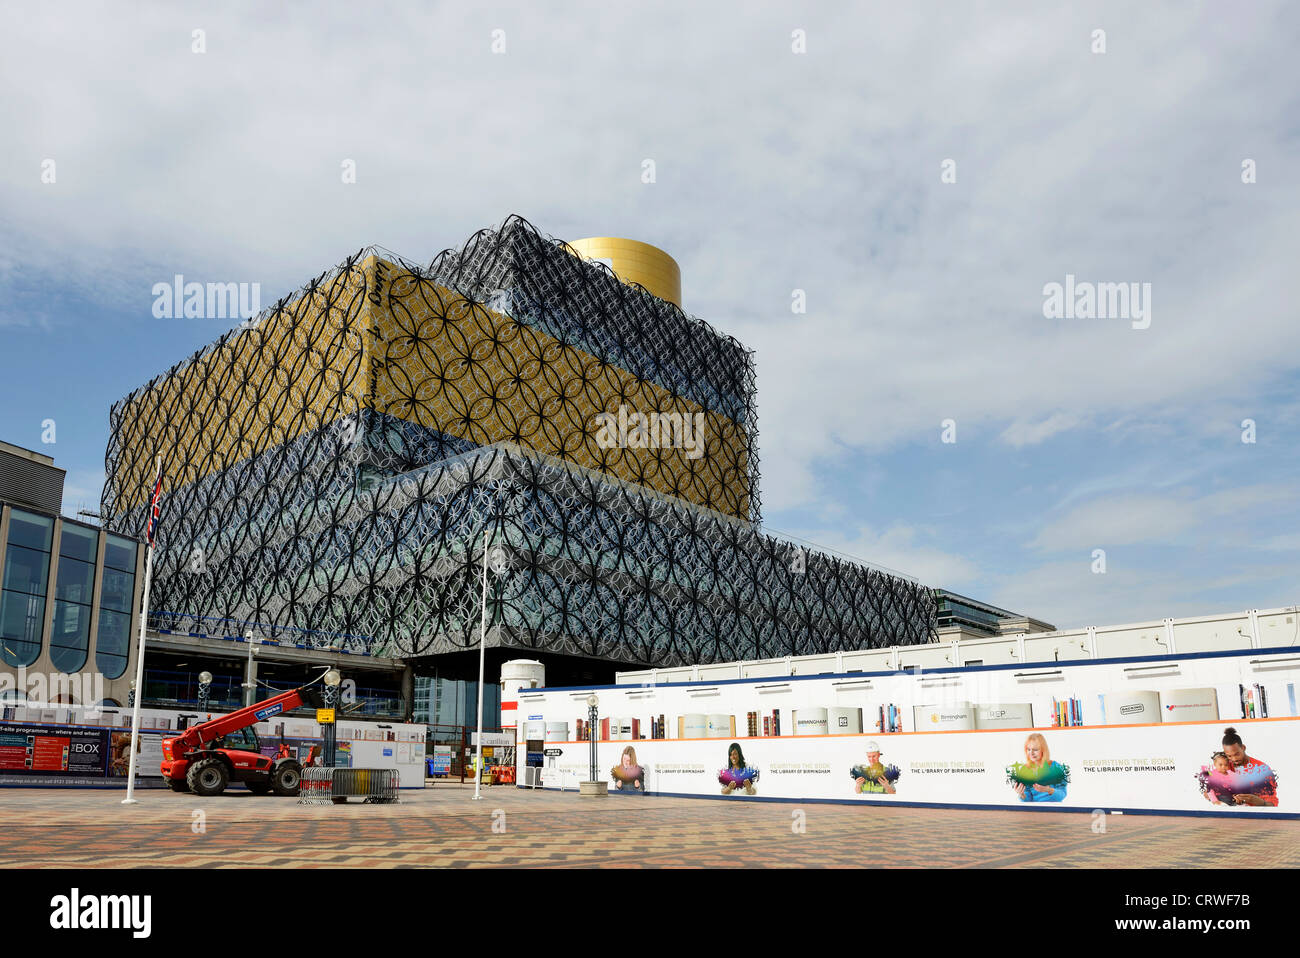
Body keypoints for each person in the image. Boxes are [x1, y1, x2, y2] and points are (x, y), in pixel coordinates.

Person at [1206, 727, 1278, 807]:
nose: (1234, 759)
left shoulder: (1261, 769)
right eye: (1229, 756)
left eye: (1237, 754)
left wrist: (1261, 803)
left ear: (1243, 748)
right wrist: (1210, 795)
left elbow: (1273, 804)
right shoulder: (1224, 766)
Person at [1010, 732, 1068, 802]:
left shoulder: (1055, 767)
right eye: (1028, 749)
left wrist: (1049, 790)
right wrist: (1022, 794)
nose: (1031, 753)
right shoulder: (1025, 769)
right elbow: (1028, 800)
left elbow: (1062, 794)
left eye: (1035, 750)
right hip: (1035, 810)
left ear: (1043, 750)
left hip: (1054, 809)